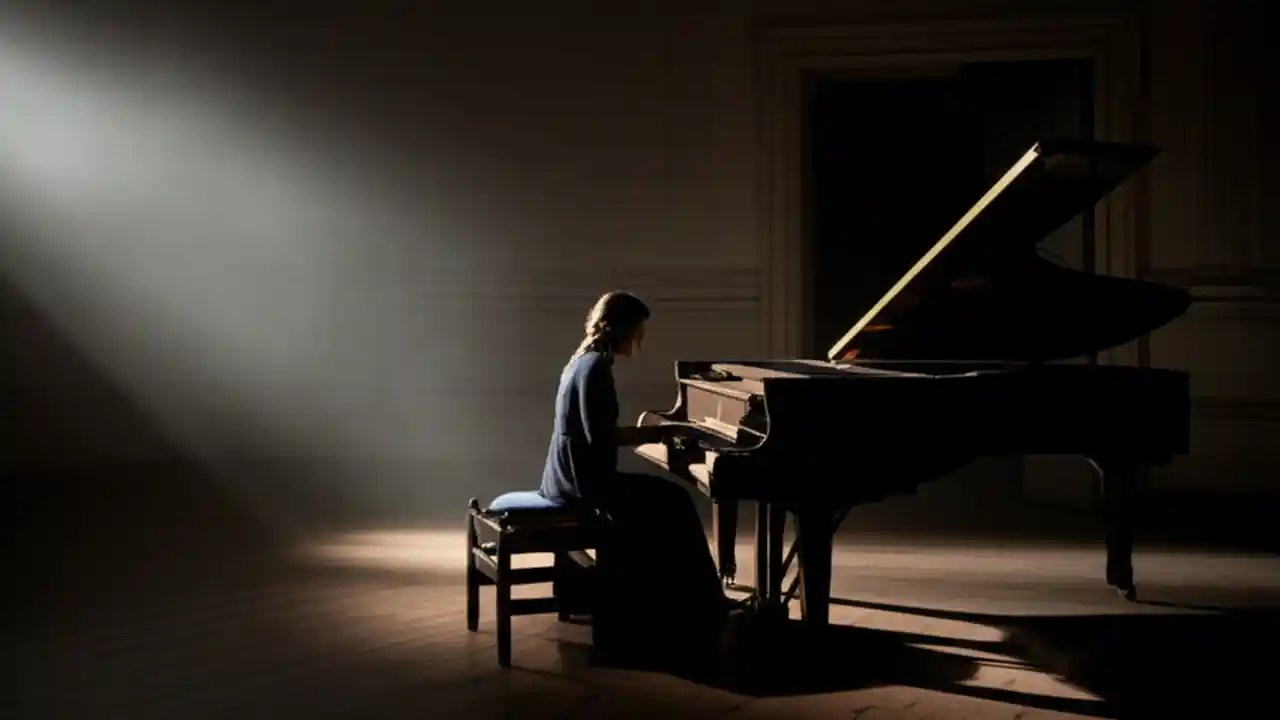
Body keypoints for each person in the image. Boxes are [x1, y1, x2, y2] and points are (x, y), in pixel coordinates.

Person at [536, 290, 732, 668]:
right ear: (624, 328)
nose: (641, 339)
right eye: (639, 330)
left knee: (667, 502)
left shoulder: (581, 360)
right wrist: (661, 433)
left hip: (565, 476)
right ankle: (701, 608)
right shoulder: (595, 369)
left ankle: (680, 608)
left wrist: (658, 432)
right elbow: (601, 437)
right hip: (584, 484)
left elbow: (596, 433)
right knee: (674, 502)